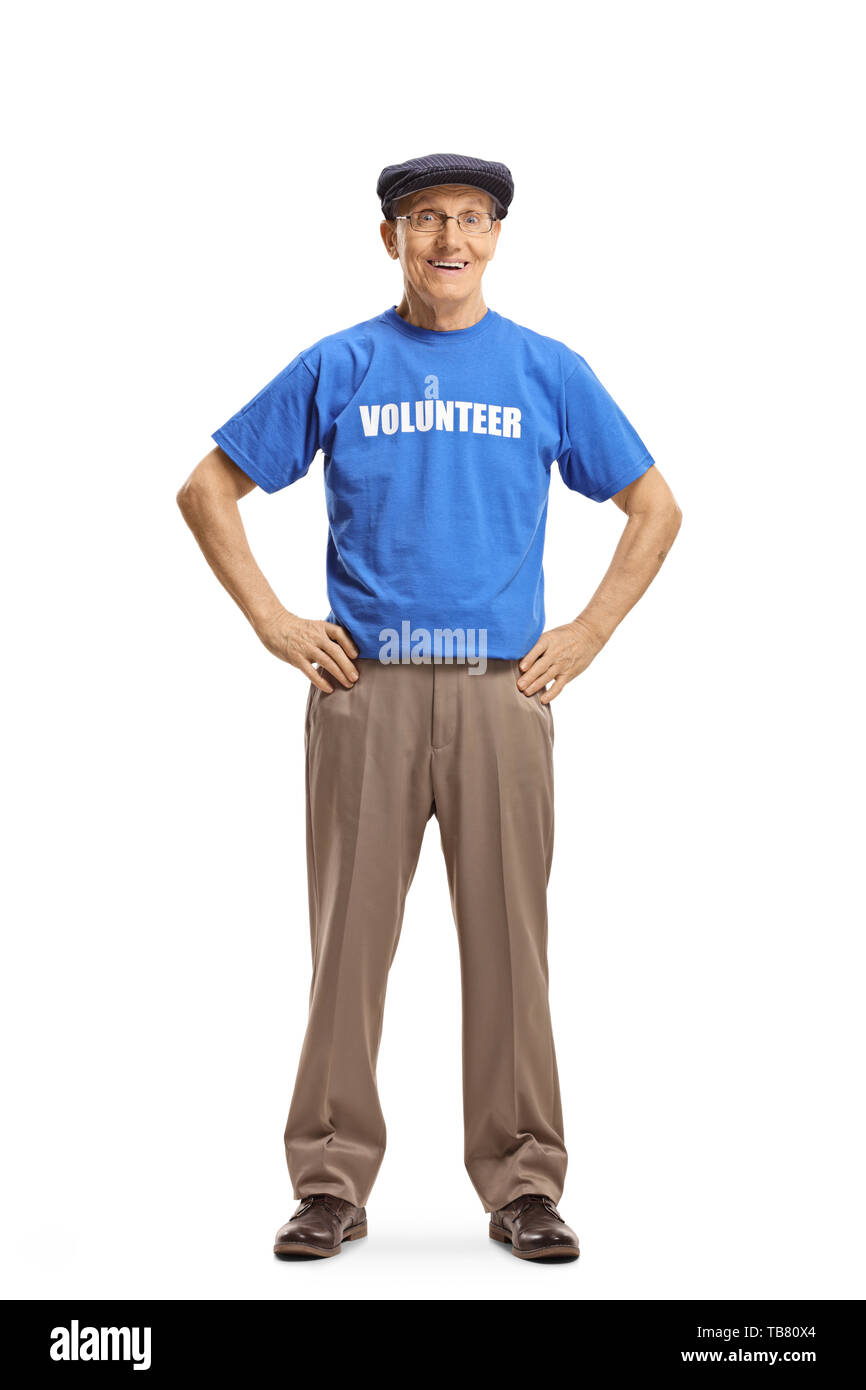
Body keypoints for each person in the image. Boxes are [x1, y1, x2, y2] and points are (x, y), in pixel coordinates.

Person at [176, 152, 682, 1263]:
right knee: (346, 949)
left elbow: (652, 507)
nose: (449, 238)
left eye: (470, 218)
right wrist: (274, 622)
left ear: (496, 235)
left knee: (510, 943)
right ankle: (327, 1180)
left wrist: (588, 631)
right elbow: (206, 488)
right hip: (367, 693)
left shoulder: (546, 371)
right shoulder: (343, 362)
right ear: (388, 237)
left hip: (504, 691)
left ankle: (522, 1183)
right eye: (423, 219)